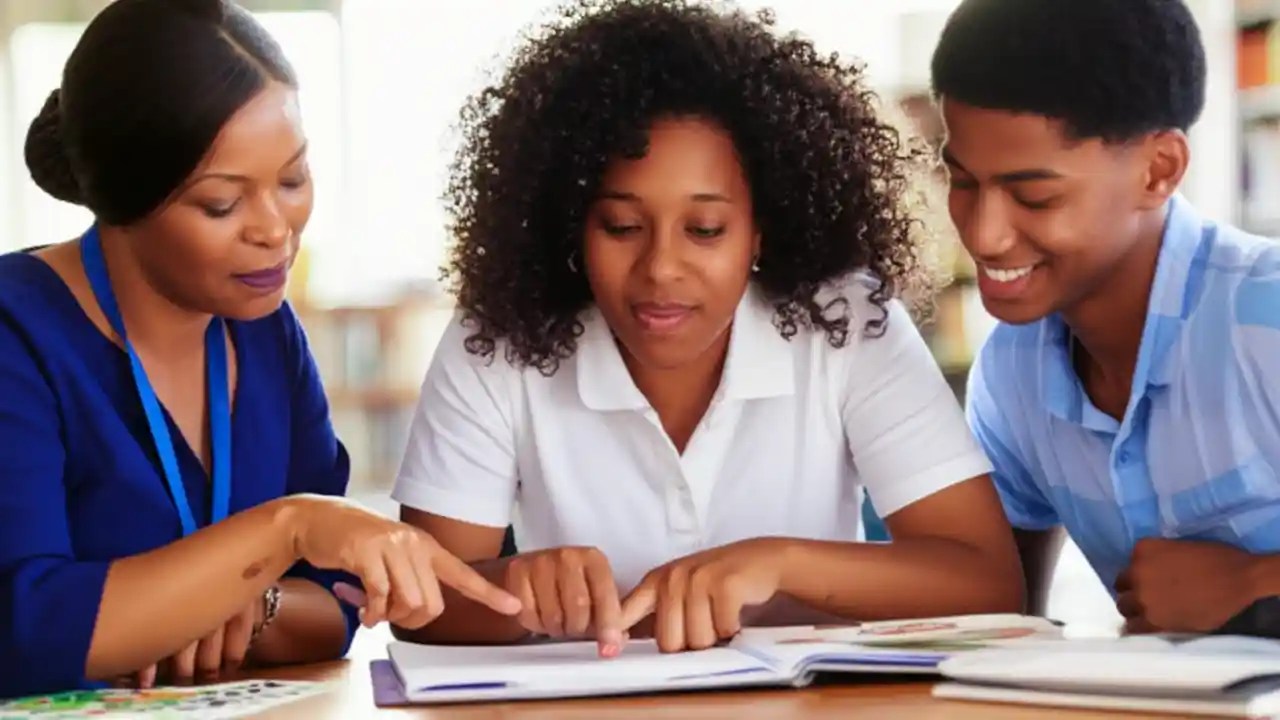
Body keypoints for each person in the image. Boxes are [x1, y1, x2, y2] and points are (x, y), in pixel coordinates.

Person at [391, 0, 1024, 657]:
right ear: (572, 223)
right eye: (621, 226)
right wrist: (520, 591)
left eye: (705, 229)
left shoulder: (848, 320)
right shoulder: (501, 336)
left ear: (762, 228)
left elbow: (987, 582)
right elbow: (420, 606)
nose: (661, 268)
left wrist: (778, 564)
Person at [0, 0, 518, 699]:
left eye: (293, 180)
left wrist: (251, 607)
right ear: (121, 198)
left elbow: (335, 603)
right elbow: (24, 631)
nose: (275, 230)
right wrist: (288, 528)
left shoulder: (266, 332)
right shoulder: (16, 332)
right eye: (222, 204)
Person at [932, 0, 1280, 633]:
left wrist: (1254, 582)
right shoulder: (1011, 375)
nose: (984, 236)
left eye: (1035, 196)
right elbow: (997, 617)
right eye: (962, 182)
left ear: (1158, 170)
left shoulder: (1266, 317)